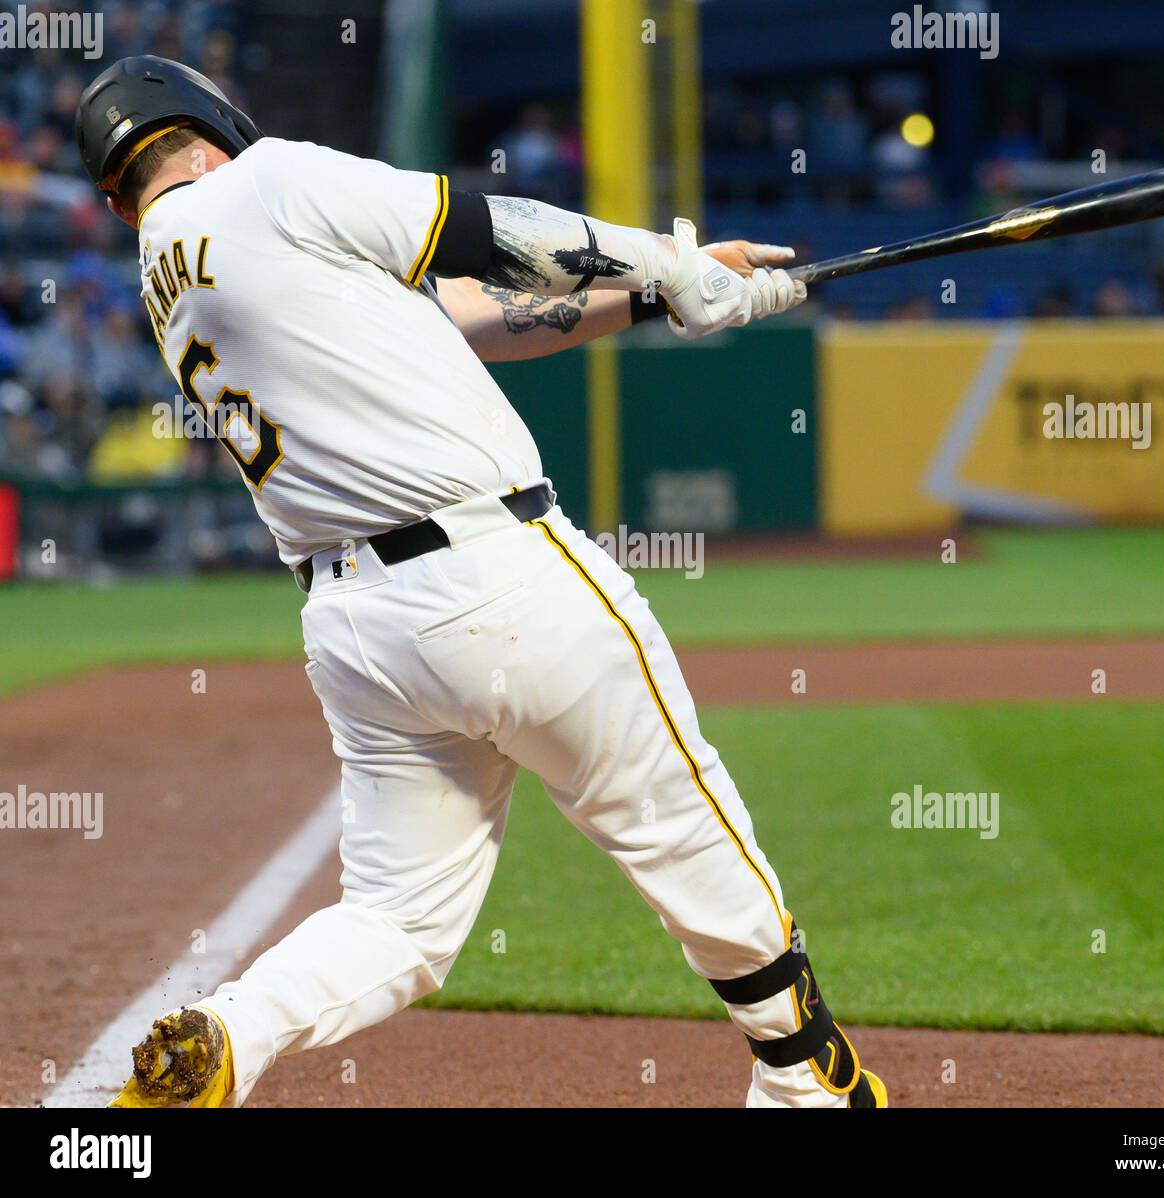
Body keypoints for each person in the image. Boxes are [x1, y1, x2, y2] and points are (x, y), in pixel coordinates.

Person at [76, 55, 886, 1110]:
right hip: (500, 574)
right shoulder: (266, 178)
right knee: (679, 823)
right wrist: (673, 262)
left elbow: (459, 320)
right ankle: (802, 1074)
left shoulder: (162, 264)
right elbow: (488, 228)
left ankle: (228, 1030)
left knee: (397, 922)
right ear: (211, 119)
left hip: (360, 629)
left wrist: (659, 294)